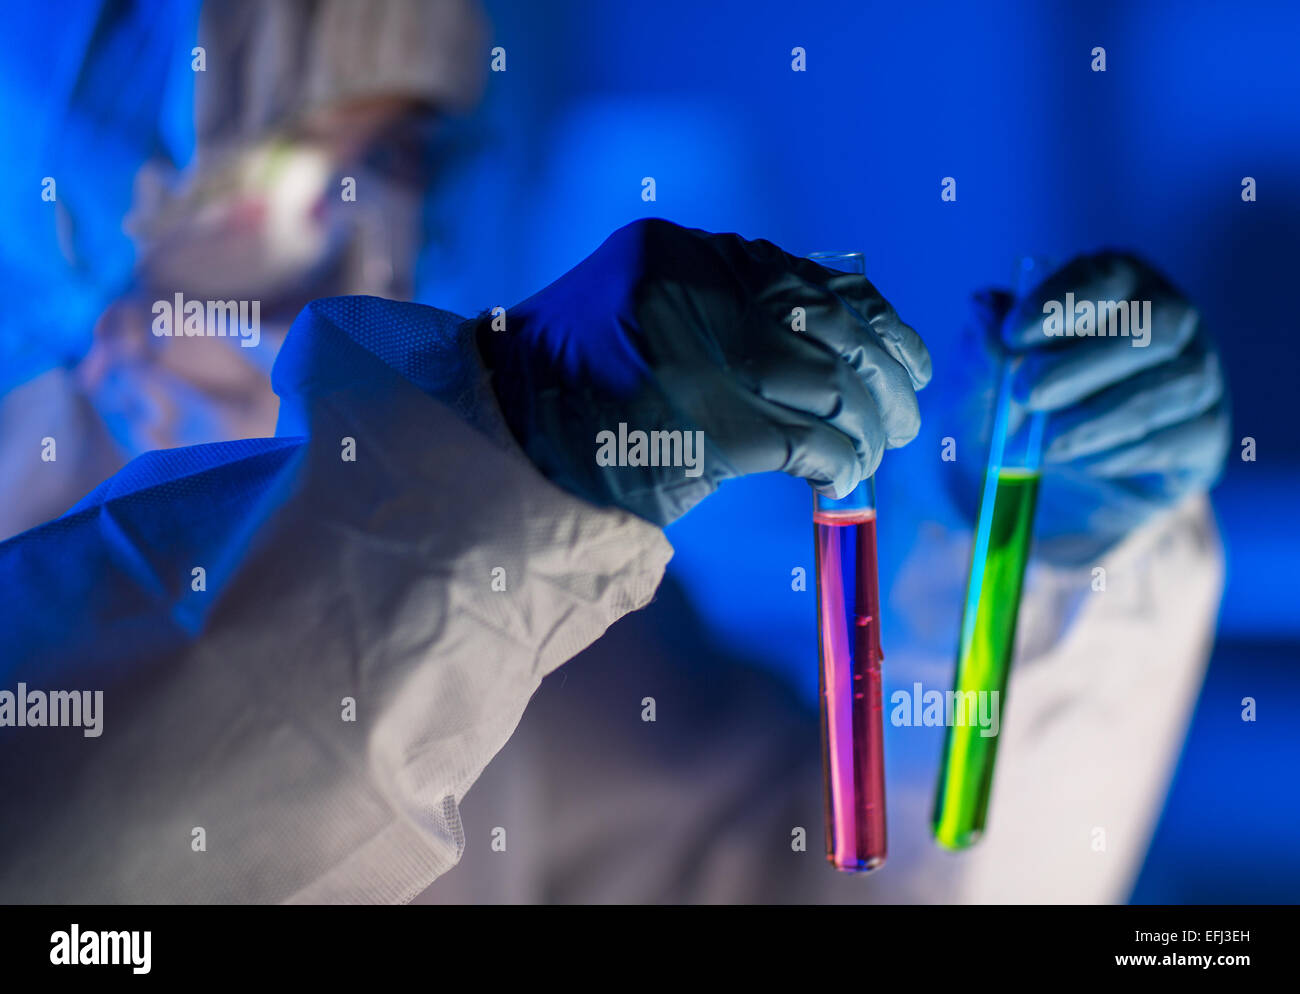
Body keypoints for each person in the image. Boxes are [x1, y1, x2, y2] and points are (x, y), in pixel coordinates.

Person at [0, 3, 1228, 903]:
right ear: (63, 188)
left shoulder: (540, 616)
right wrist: (475, 465)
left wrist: (1018, 563)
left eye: (400, 163)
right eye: (276, 175)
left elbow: (853, 884)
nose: (372, 262)